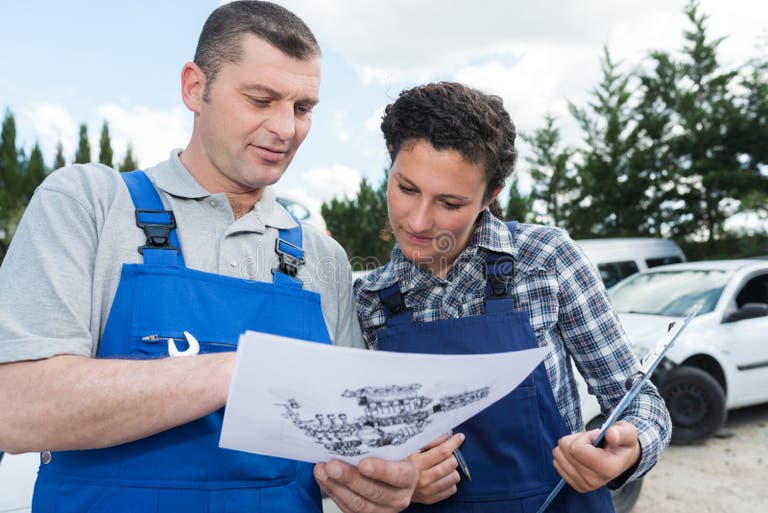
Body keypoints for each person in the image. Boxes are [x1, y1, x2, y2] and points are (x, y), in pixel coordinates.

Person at [0, 2, 417, 512]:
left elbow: (347, 438)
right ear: (195, 88)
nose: (286, 128)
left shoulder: (321, 257)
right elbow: (16, 407)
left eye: (303, 108)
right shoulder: (89, 203)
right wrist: (248, 372)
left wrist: (376, 479)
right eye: (261, 99)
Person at [354, 82, 672, 512]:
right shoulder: (368, 301)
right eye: (406, 188)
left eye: (449, 202)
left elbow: (643, 404)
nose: (419, 220)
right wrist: (401, 478)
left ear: (491, 195)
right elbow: (362, 451)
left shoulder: (547, 261)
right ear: (390, 159)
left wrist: (627, 450)